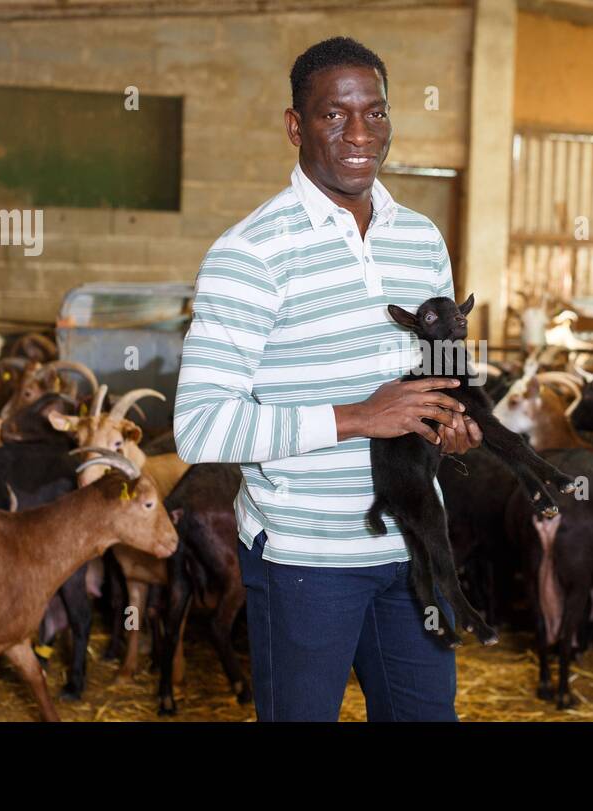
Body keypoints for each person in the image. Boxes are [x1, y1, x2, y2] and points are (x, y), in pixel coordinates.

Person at [173, 36, 480, 722]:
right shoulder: (249, 254)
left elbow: (445, 380)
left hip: (412, 547)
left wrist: (453, 430)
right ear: (295, 126)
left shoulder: (424, 239)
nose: (359, 133)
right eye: (334, 115)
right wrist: (358, 416)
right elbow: (199, 427)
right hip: (304, 561)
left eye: (375, 112)